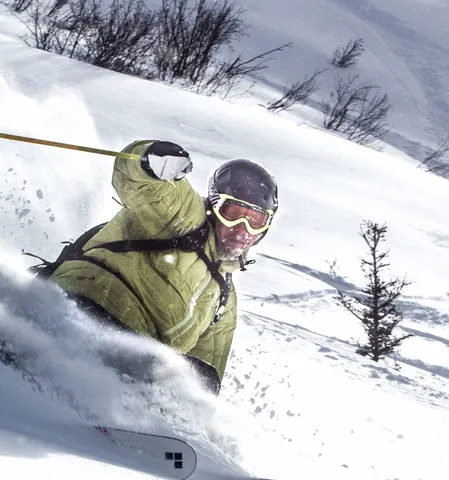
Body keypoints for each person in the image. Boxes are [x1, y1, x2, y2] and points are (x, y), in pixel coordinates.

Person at [38, 140, 278, 395]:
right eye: (233, 213)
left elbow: (207, 370)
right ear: (215, 205)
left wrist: (197, 408)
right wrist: (151, 161)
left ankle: (133, 416)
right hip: (86, 304)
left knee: (202, 377)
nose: (243, 230)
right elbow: (135, 181)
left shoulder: (224, 298)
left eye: (256, 221)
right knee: (133, 355)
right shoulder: (184, 214)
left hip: (132, 358)